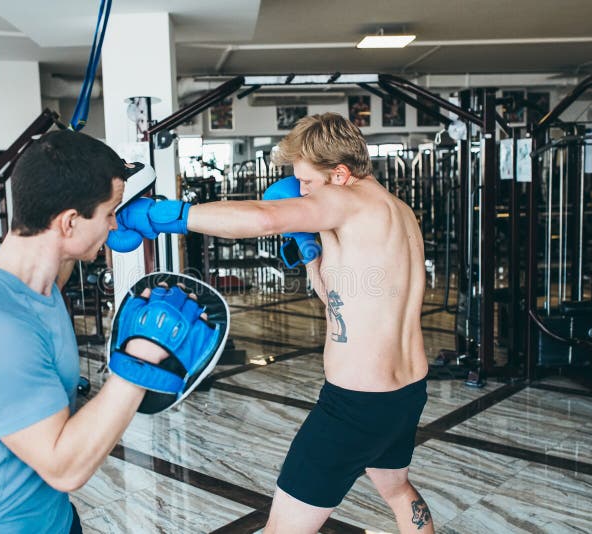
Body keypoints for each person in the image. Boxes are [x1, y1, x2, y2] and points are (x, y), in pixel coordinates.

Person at [114, 112, 433, 533]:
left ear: (340, 174)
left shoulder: (345, 198)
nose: (301, 192)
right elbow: (336, 296)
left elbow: (263, 217)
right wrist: (309, 248)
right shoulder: (398, 211)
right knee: (397, 490)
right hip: (406, 394)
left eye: (307, 182)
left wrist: (163, 217)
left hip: (356, 404)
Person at [0, 129, 223, 533]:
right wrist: (140, 360)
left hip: (58, 521)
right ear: (69, 222)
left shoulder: (39, 275)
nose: (115, 223)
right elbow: (63, 468)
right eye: (110, 213)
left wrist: (131, 195)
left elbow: (63, 183)